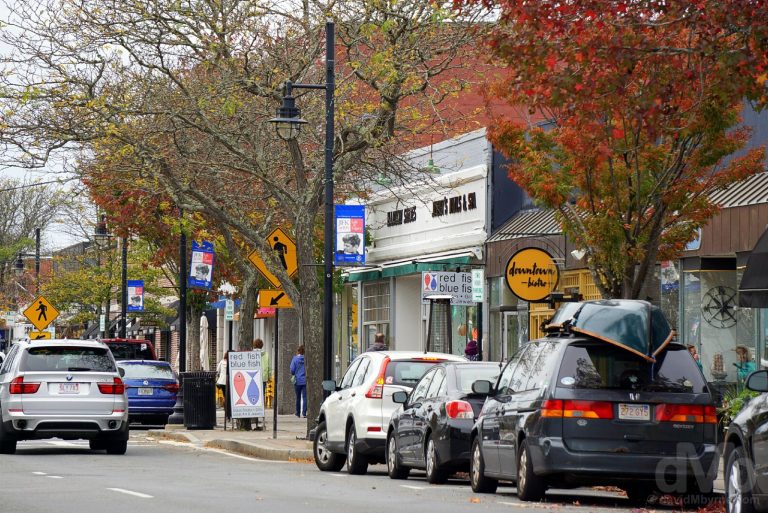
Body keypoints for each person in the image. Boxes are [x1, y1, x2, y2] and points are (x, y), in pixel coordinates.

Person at [290, 345, 307, 417]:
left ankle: (297, 413)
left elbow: (292, 370)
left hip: (297, 380)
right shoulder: (306, 359)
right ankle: (304, 413)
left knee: (298, 397)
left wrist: (295, 373)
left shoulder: (295, 359)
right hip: (305, 380)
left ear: (298, 351)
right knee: (305, 397)